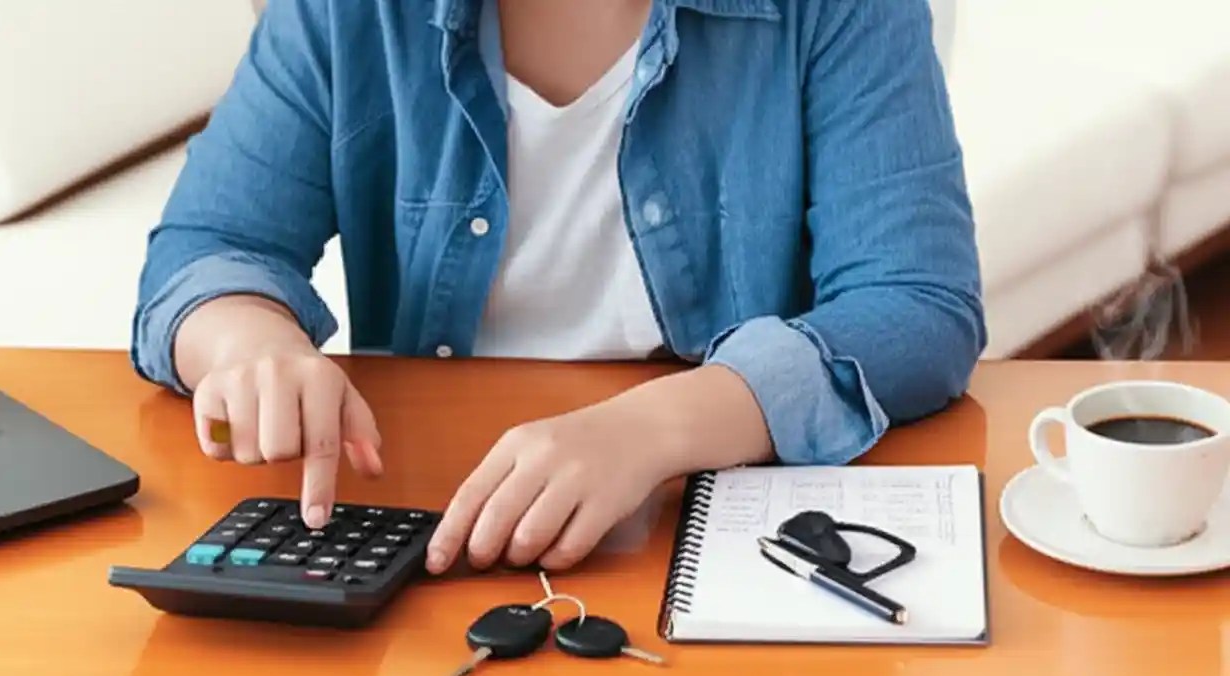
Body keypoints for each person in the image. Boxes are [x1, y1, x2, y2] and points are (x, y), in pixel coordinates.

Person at [131, 0, 985, 576]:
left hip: (710, 527)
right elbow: (211, 248)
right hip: (431, 516)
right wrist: (252, 346)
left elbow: (916, 298)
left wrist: (656, 427)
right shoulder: (348, 13)